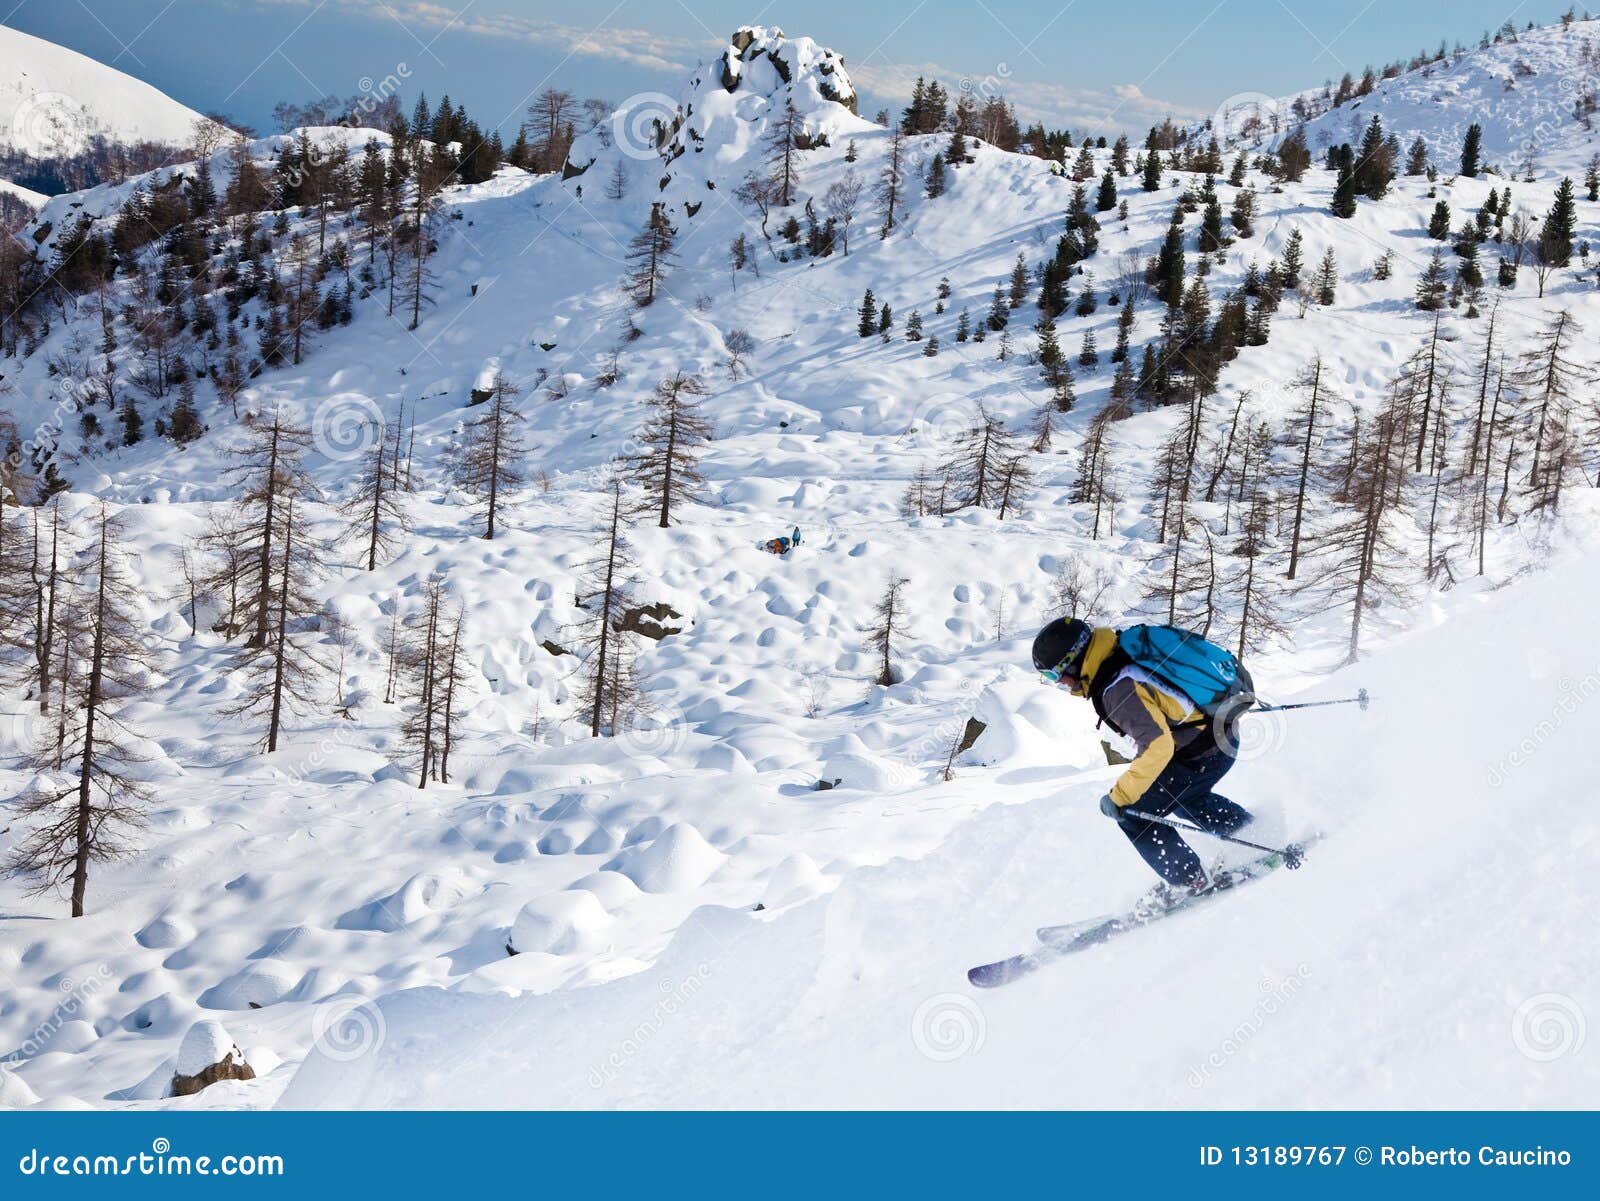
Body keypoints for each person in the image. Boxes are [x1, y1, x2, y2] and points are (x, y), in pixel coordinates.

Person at [1031, 616, 1253, 895]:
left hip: (1204, 753)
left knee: (1135, 815)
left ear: (1073, 662)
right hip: (1220, 736)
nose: (1059, 683)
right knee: (1183, 799)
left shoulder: (1115, 687)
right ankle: (1248, 830)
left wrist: (1120, 796)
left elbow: (1158, 746)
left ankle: (1191, 881)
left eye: (1054, 674)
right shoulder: (1121, 653)